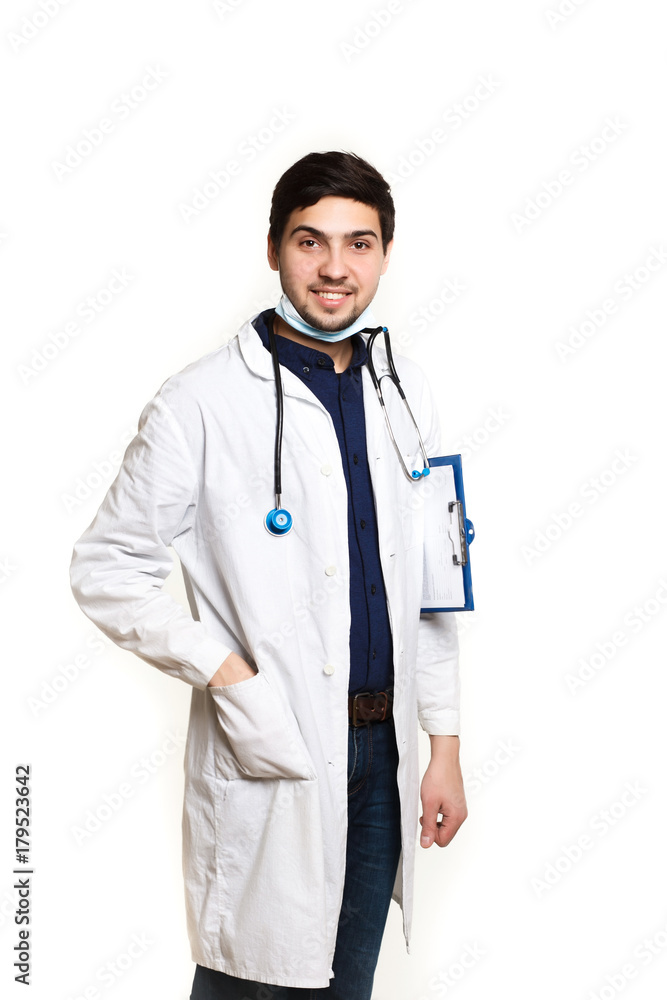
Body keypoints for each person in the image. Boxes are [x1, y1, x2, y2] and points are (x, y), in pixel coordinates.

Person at [69, 150, 467, 998]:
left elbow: (434, 581)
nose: (333, 268)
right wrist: (227, 673)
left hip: (383, 750)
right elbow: (107, 564)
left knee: (342, 985)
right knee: (248, 981)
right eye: (309, 241)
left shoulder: (406, 395)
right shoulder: (202, 401)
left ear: (385, 254)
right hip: (273, 741)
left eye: (358, 244)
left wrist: (442, 745)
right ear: (273, 250)